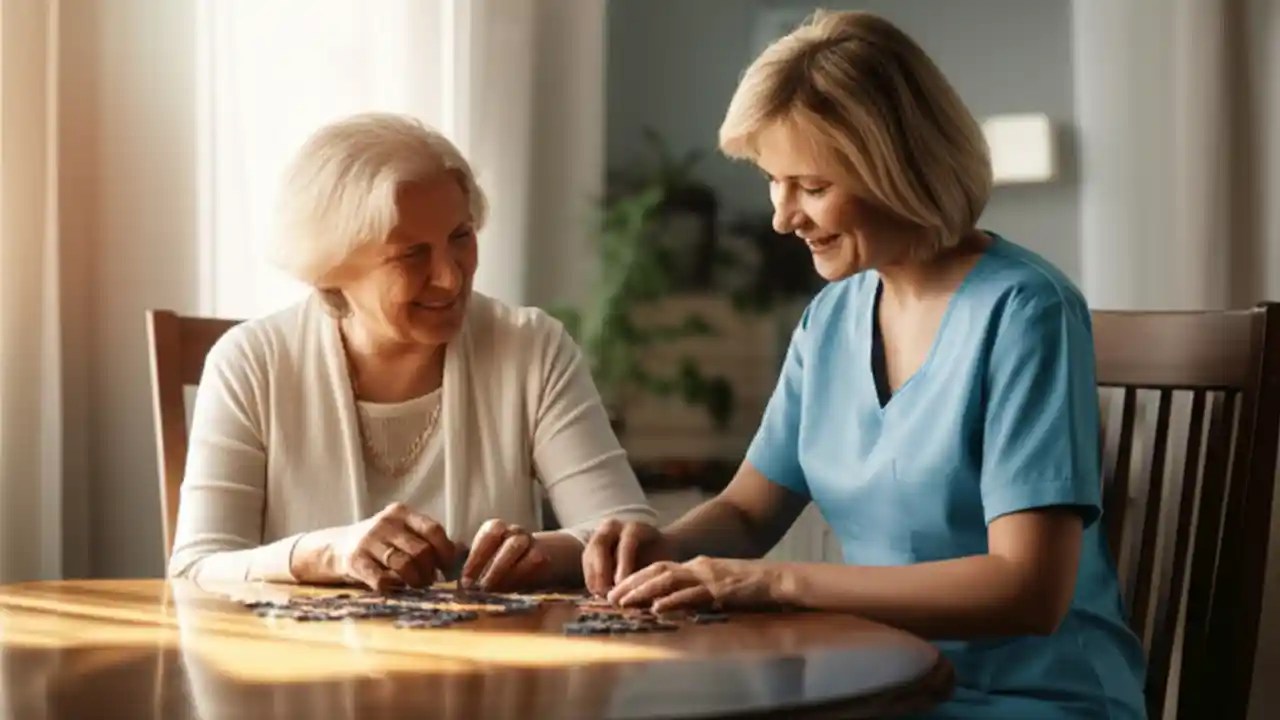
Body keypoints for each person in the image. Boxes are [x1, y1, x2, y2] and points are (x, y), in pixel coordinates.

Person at [581, 10, 1147, 719]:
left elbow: (1027, 588)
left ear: (900, 169)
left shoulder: (1025, 311)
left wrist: (779, 585)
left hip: (1030, 699)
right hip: (880, 683)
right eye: (773, 181)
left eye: (811, 187)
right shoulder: (833, 318)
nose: (784, 218)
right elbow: (748, 511)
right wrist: (661, 551)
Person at [168, 112, 656, 593]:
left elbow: (628, 536)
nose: (450, 276)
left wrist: (539, 555)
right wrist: (326, 552)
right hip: (303, 668)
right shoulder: (249, 364)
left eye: (460, 237)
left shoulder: (532, 349)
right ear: (328, 269)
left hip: (491, 665)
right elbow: (196, 569)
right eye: (411, 254)